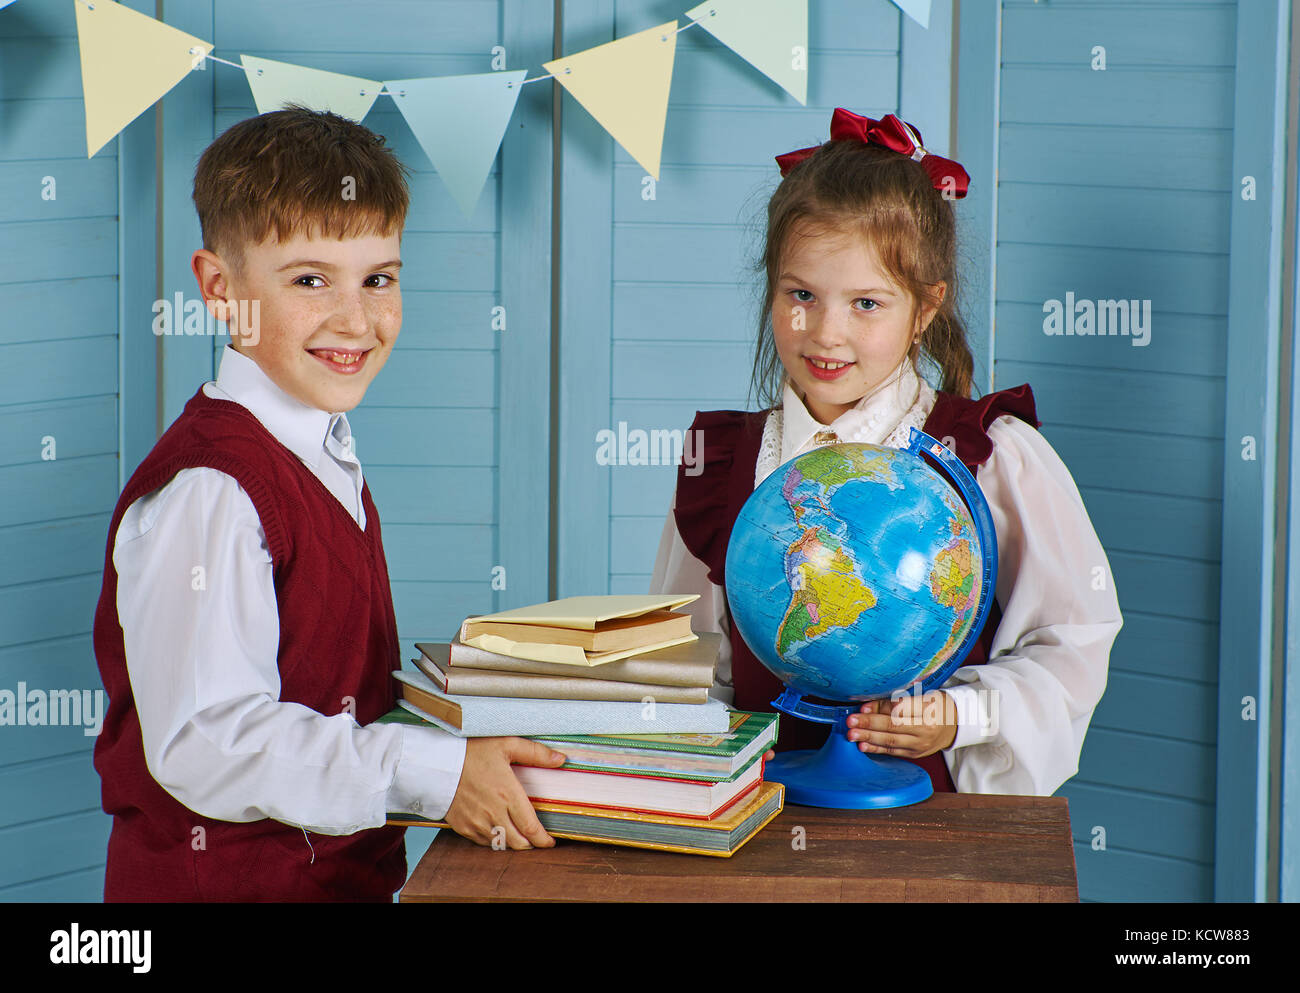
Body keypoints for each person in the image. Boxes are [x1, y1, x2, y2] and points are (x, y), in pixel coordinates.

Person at [91, 107, 566, 902]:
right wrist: (433, 771)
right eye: (311, 280)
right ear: (220, 288)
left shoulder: (317, 444)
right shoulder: (212, 489)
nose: (356, 318)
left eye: (378, 278)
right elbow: (208, 737)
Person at [650, 108, 1123, 796]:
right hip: (754, 833)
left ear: (924, 309)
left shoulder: (994, 459)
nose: (826, 332)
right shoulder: (724, 464)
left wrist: (960, 714)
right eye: (801, 294)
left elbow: (1074, 642)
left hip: (930, 843)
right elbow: (684, 668)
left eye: (867, 303)